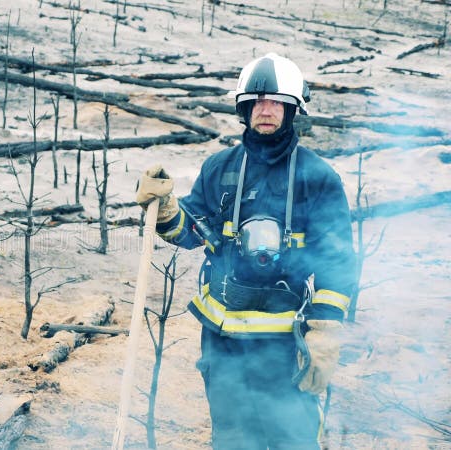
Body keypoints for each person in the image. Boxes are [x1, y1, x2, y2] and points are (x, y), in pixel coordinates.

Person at [136, 53, 356, 449]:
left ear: (292, 110)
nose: (265, 110)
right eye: (257, 102)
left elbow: (337, 261)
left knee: (294, 438)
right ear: (244, 108)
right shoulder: (220, 167)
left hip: (286, 343)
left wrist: (324, 331)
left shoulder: (317, 177)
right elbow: (189, 231)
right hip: (222, 345)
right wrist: (166, 208)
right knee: (234, 438)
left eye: (275, 102)